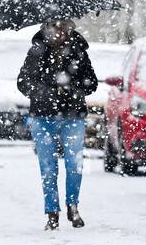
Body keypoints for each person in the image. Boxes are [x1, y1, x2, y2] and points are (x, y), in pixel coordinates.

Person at [16, 18, 98, 230]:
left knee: (74, 163)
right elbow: (23, 83)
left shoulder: (78, 50)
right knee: (48, 166)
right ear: (45, 28)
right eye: (54, 27)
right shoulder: (36, 52)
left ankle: (73, 205)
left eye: (63, 27)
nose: (59, 32)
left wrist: (72, 87)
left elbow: (92, 83)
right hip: (43, 117)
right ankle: (52, 212)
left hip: (73, 116)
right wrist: (45, 91)